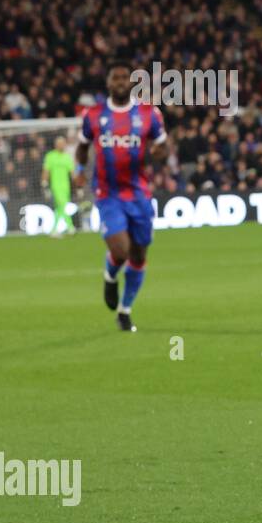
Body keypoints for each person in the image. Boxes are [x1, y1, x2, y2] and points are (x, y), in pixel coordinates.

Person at [75, 64, 168, 332]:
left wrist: (159, 153)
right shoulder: (93, 115)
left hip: (139, 195)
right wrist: (80, 171)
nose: (119, 81)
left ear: (132, 83)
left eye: (124, 77)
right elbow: (82, 147)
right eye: (114, 77)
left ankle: (125, 311)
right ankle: (110, 275)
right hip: (108, 195)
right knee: (120, 250)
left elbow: (163, 145)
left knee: (138, 255)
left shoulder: (149, 114)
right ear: (108, 83)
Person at [41, 135, 76, 237]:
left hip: (66, 186)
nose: (62, 145)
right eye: (60, 144)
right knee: (62, 205)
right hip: (55, 185)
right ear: (56, 145)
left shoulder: (67, 157)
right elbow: (46, 171)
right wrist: (44, 183)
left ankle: (54, 230)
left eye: (63, 144)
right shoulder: (50, 156)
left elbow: (72, 172)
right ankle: (70, 227)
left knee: (60, 208)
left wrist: (78, 186)